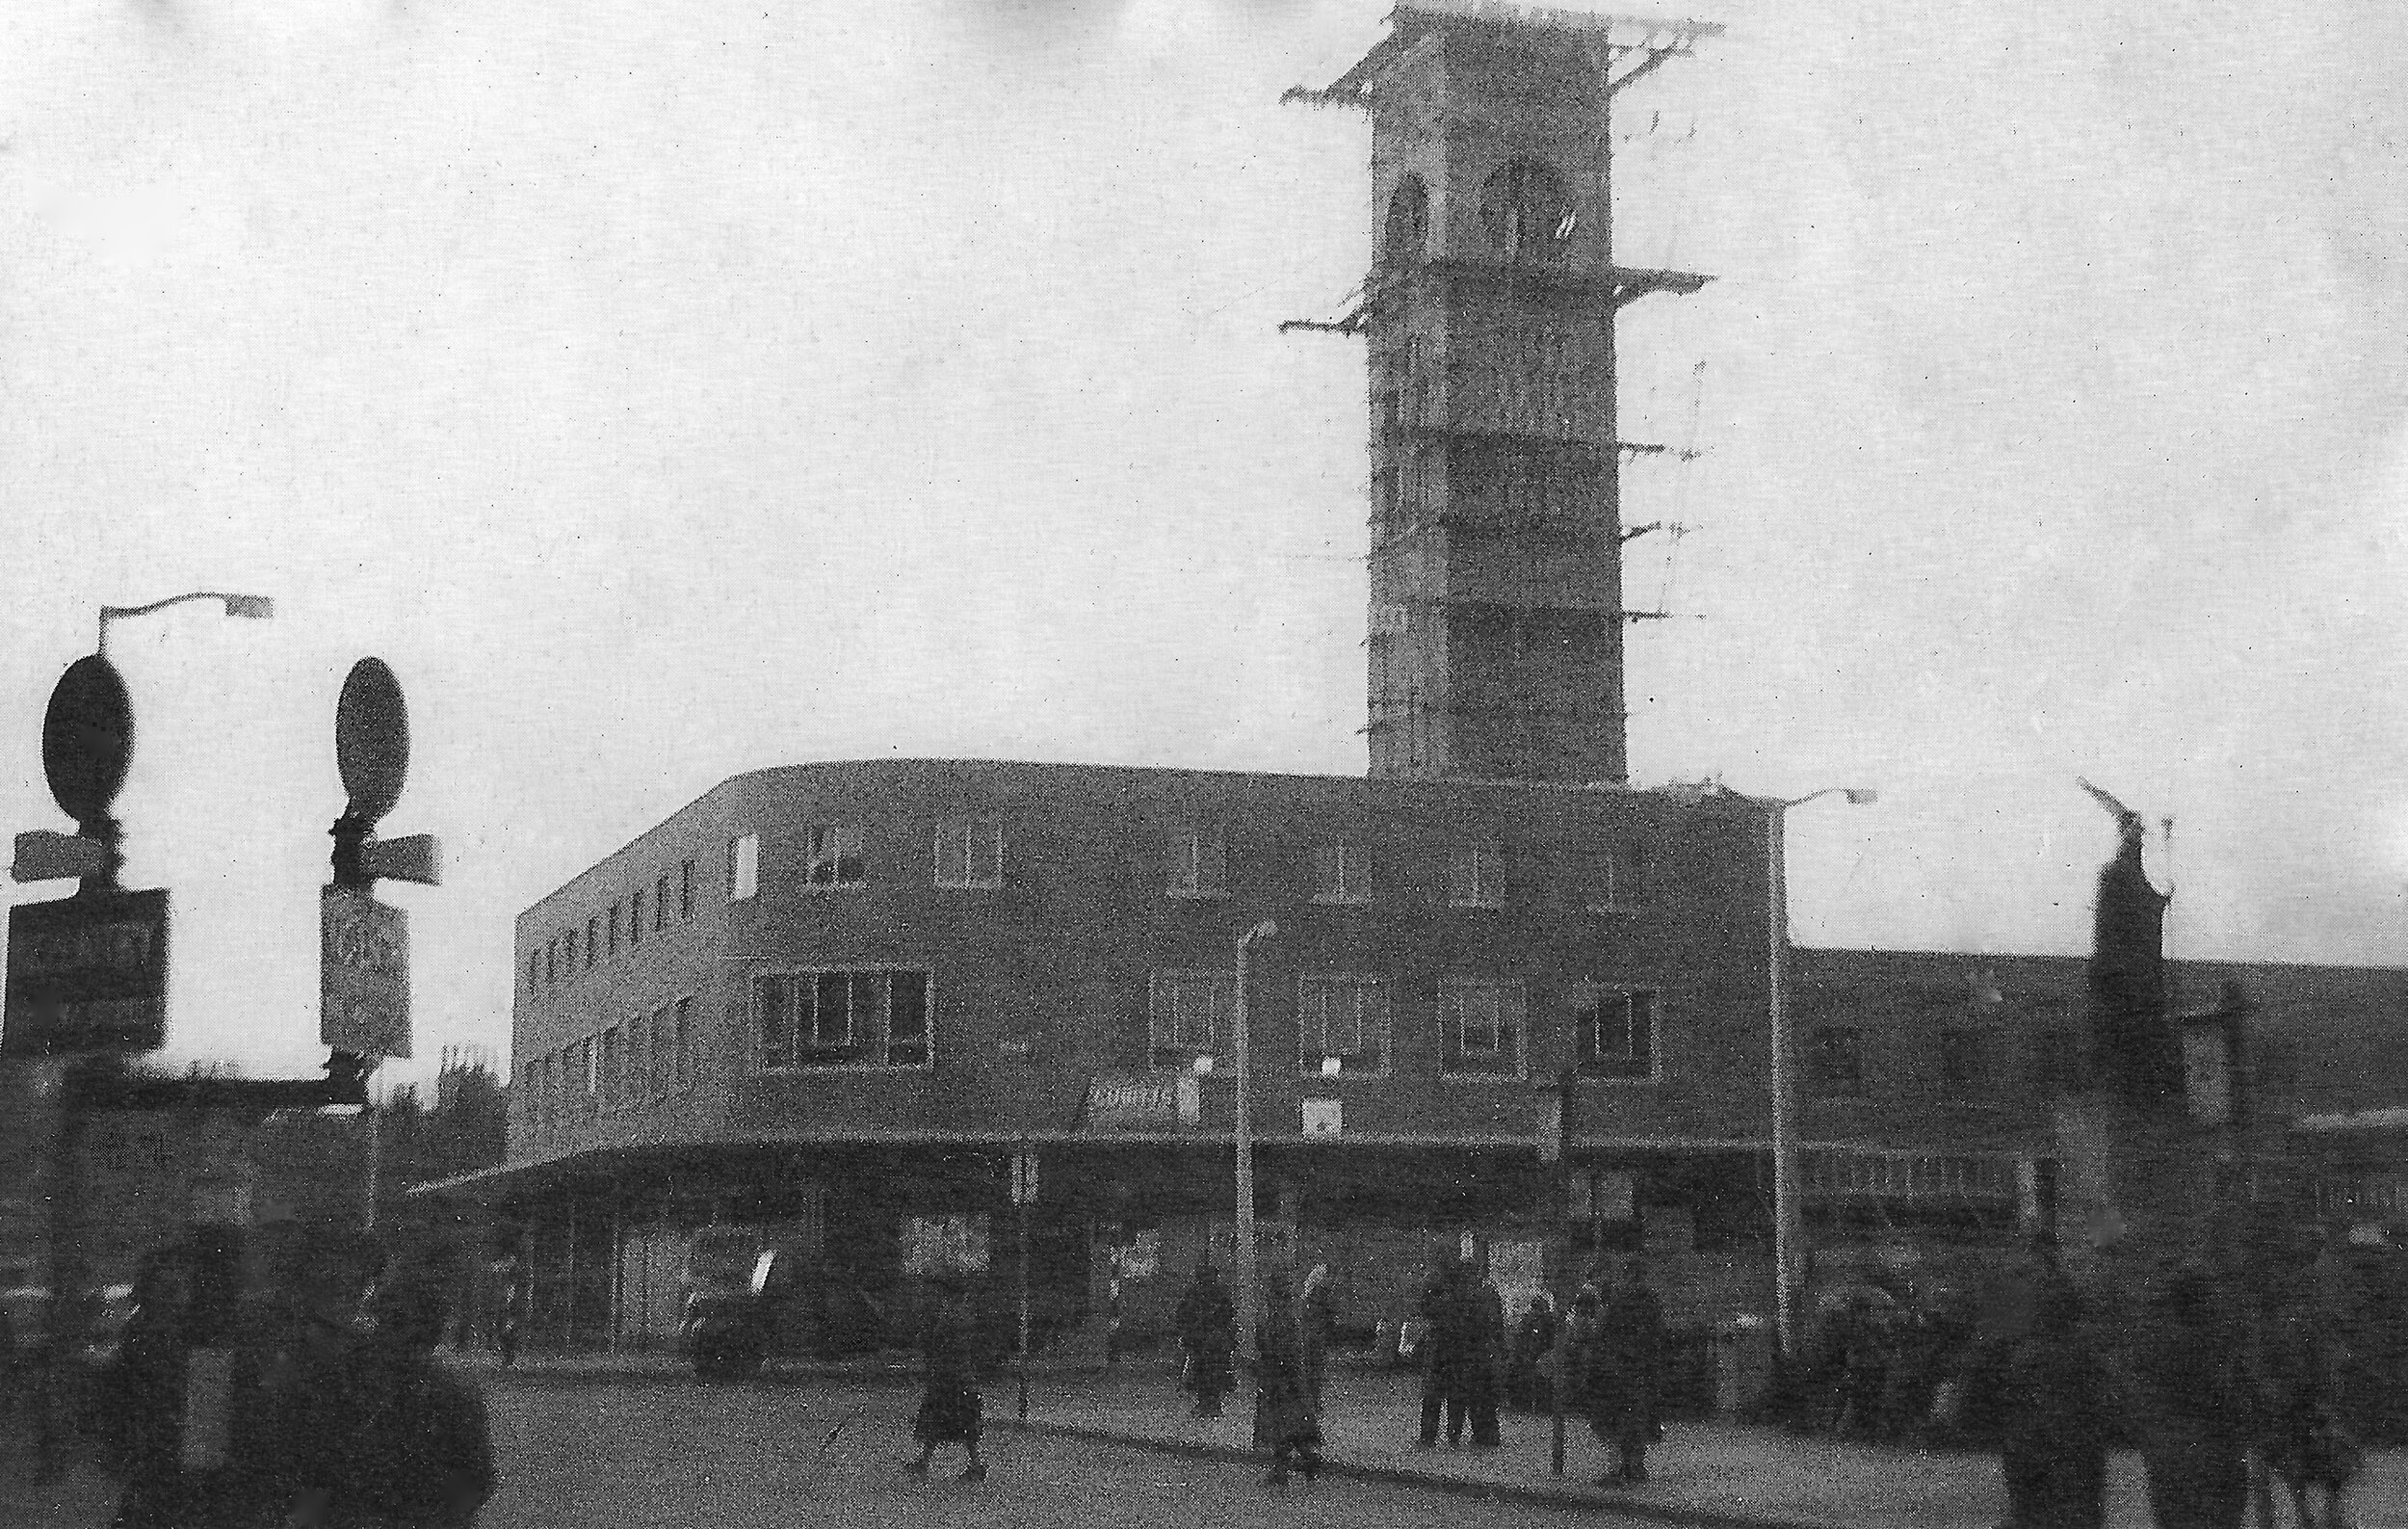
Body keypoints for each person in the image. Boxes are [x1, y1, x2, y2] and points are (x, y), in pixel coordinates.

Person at [278, 1238, 499, 1528]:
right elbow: (315, 1467)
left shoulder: (450, 1395)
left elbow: (478, 1481)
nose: (382, 1332)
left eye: (397, 1321)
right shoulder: (350, 1381)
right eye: (383, 1318)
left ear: (427, 1331)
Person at [2135, 1265, 2257, 1529]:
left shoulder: (2159, 1345)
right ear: (2202, 1303)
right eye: (2211, 1298)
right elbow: (2229, 1401)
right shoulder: (2216, 1346)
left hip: (2173, 1455)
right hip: (2212, 1455)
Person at [1996, 1275, 2113, 1529]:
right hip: (2075, 1447)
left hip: (2031, 1445)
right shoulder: (2086, 1352)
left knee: (2030, 1511)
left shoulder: (2025, 1355)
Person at [101, 1246, 198, 1529]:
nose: (177, 1291)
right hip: (160, 1440)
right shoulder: (147, 1332)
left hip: (164, 1442)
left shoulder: (157, 1328)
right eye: (168, 1285)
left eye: (180, 1283)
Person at [1583, 1259, 1664, 1487]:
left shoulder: (1620, 1301)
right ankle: (1636, 1466)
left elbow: (1605, 1333)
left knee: (1615, 1421)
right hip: (1643, 1371)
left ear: (1628, 1276)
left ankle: (1618, 1469)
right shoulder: (1651, 1301)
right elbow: (1657, 1336)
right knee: (1636, 1419)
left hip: (1619, 1370)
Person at [904, 1282, 986, 1483]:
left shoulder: (952, 1317)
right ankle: (925, 1461)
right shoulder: (960, 1314)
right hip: (956, 1376)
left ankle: (974, 1465)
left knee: (947, 1418)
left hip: (952, 1377)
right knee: (943, 1420)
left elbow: (942, 1345)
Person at [1251, 1271, 1322, 1490]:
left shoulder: (1283, 1318)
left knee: (1283, 1426)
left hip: (1282, 1380)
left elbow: (1283, 1351)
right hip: (1282, 1379)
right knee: (1288, 1426)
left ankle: (1282, 1471)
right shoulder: (1284, 1315)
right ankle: (1307, 1460)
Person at [1413, 1253, 1472, 1449]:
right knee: (1456, 1394)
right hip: (1458, 1346)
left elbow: (1424, 1307)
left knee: (1433, 1393)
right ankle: (1453, 1435)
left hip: (1440, 1344)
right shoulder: (1463, 1289)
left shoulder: (1437, 1286)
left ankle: (1428, 1436)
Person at [1174, 1264, 1237, 1418]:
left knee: (1206, 1372)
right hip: (1209, 1341)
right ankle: (1210, 1403)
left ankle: (1208, 1403)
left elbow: (1183, 1315)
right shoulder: (1217, 1293)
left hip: (1206, 1341)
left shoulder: (1196, 1293)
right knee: (1209, 1373)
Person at [1465, 1264, 1506, 1447]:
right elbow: (1497, 1322)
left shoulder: (1475, 1296)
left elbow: (1479, 1323)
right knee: (1487, 1397)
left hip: (1478, 1352)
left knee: (1478, 1396)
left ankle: (1483, 1435)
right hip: (1487, 1351)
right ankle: (1489, 1433)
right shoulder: (1489, 1292)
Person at [1507, 1294, 1556, 1413]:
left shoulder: (1546, 1321)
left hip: (1540, 1355)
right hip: (1529, 1355)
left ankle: (1536, 1403)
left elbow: (1549, 1342)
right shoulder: (1529, 1320)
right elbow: (1520, 1339)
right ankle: (1524, 1402)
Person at [1298, 1265, 1336, 1409]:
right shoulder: (1316, 1298)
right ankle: (1312, 1400)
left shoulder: (1313, 1298)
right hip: (1313, 1335)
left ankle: (1313, 1400)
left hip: (1314, 1335)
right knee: (1313, 1370)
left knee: (1314, 1370)